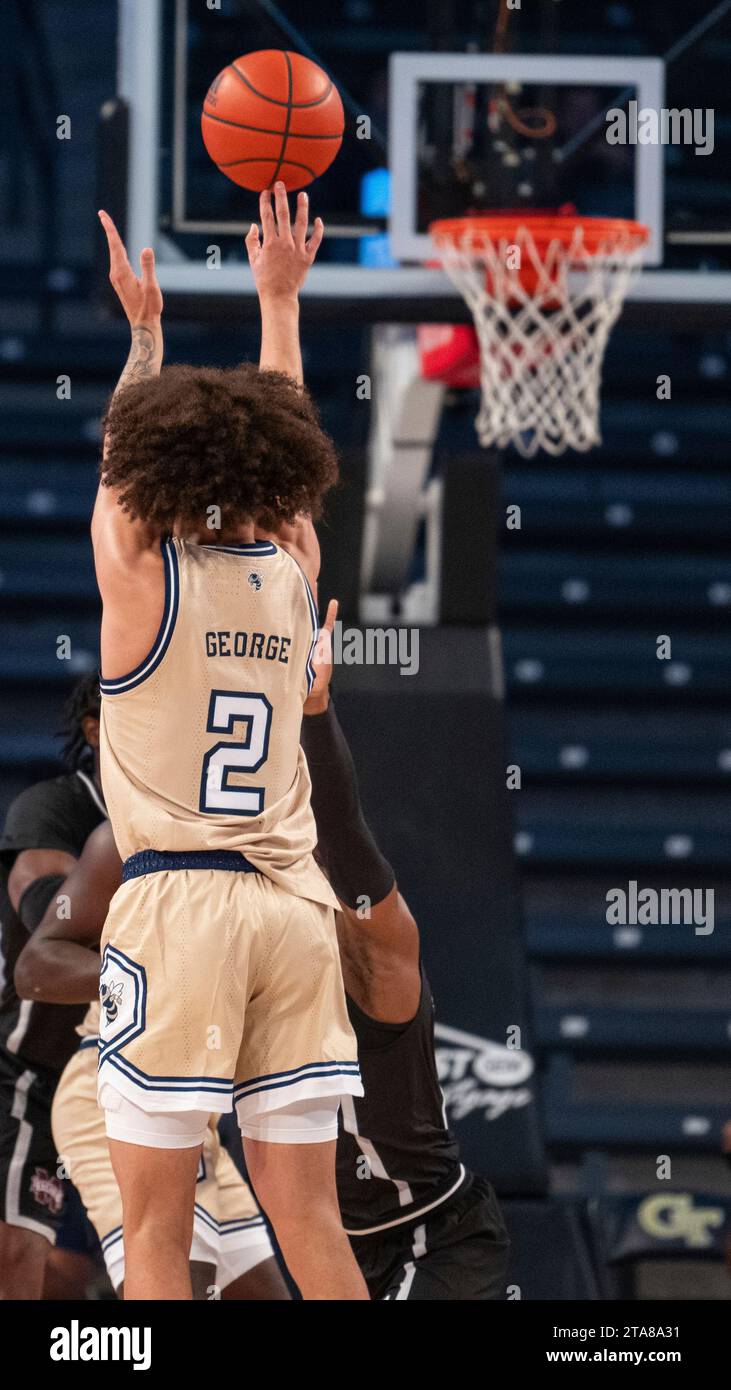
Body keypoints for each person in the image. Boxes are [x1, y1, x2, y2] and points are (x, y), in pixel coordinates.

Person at [20, 614, 510, 1300]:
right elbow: (39, 958)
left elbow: (341, 828)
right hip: (133, 1088)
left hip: (423, 1233)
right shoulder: (157, 859)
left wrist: (314, 708)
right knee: (164, 1245)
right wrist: (137, 975)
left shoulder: (372, 945)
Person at [90, 189, 366, 1299]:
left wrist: (143, 337)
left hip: (180, 907)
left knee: (158, 1232)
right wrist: (279, 302)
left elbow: (117, 481)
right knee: (308, 1217)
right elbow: (285, 443)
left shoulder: (141, 582)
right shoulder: (295, 574)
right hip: (294, 911)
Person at [16, 820, 287, 1301]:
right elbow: (35, 969)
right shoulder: (126, 835)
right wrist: (148, 980)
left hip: (200, 1103)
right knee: (174, 1285)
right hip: (125, 1083)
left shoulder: (271, 831)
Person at [0, 674, 105, 1298]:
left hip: (127, 1079)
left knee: (77, 1275)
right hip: (27, 1070)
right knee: (19, 1254)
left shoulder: (183, 812)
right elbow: (47, 915)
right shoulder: (57, 806)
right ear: (94, 730)